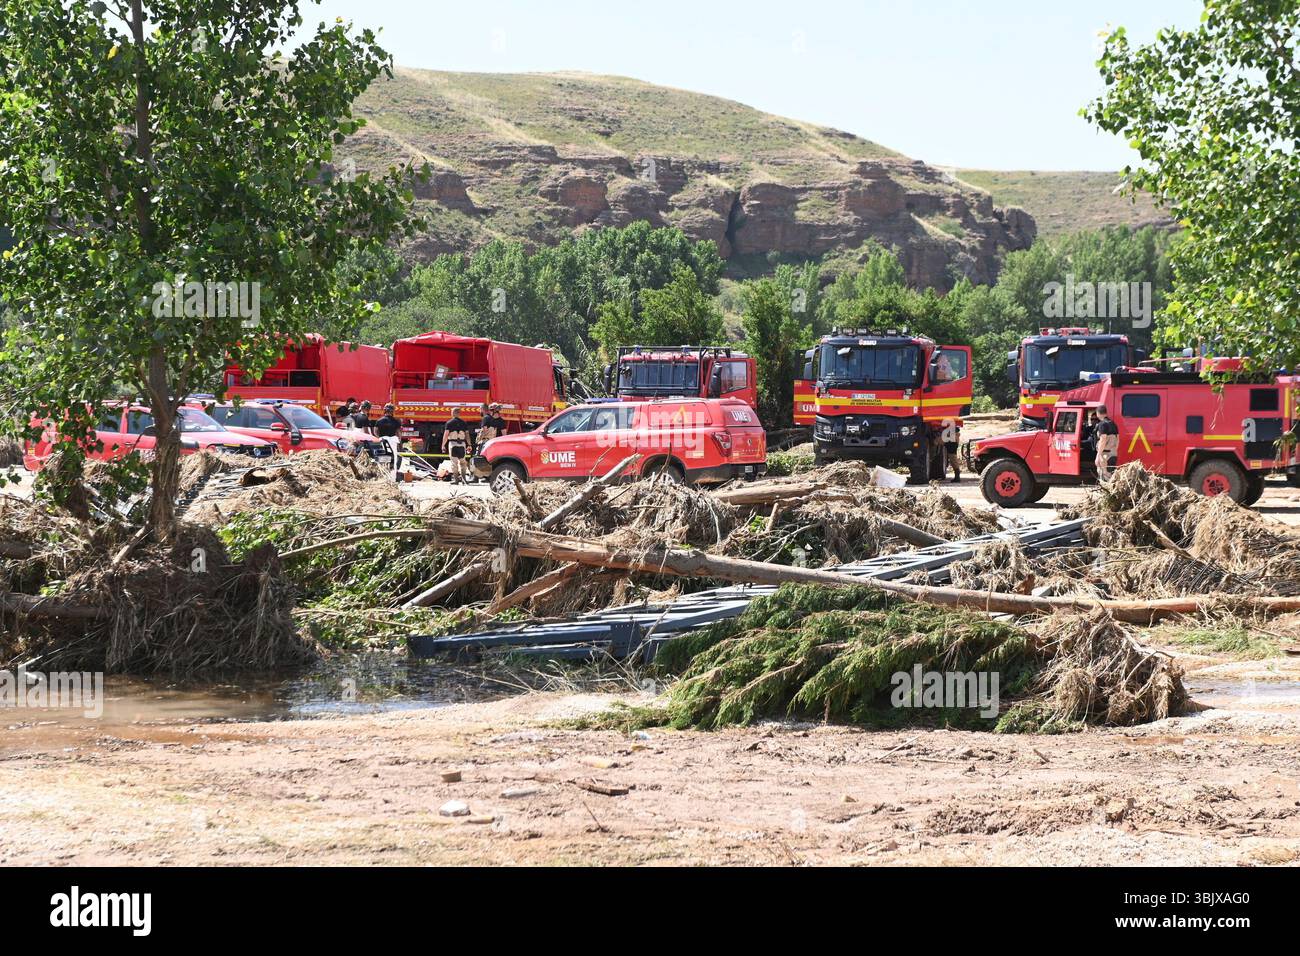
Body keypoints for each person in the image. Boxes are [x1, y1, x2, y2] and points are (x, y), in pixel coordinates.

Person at [442, 410, 471, 484]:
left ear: (453, 413)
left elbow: (446, 435)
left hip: (453, 444)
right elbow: (467, 435)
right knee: (463, 462)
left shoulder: (449, 423)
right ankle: (464, 479)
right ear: (459, 413)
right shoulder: (464, 423)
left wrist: (443, 445)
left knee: (454, 463)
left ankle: (456, 480)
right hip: (462, 444)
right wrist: (469, 444)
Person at [1094, 405, 1119, 481]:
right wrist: (1114, 450)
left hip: (1105, 455)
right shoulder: (1113, 424)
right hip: (1113, 454)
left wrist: (1098, 455)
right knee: (1111, 475)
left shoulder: (1102, 424)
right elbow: (1118, 439)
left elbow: (1103, 440)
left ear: (1098, 413)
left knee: (1104, 475)